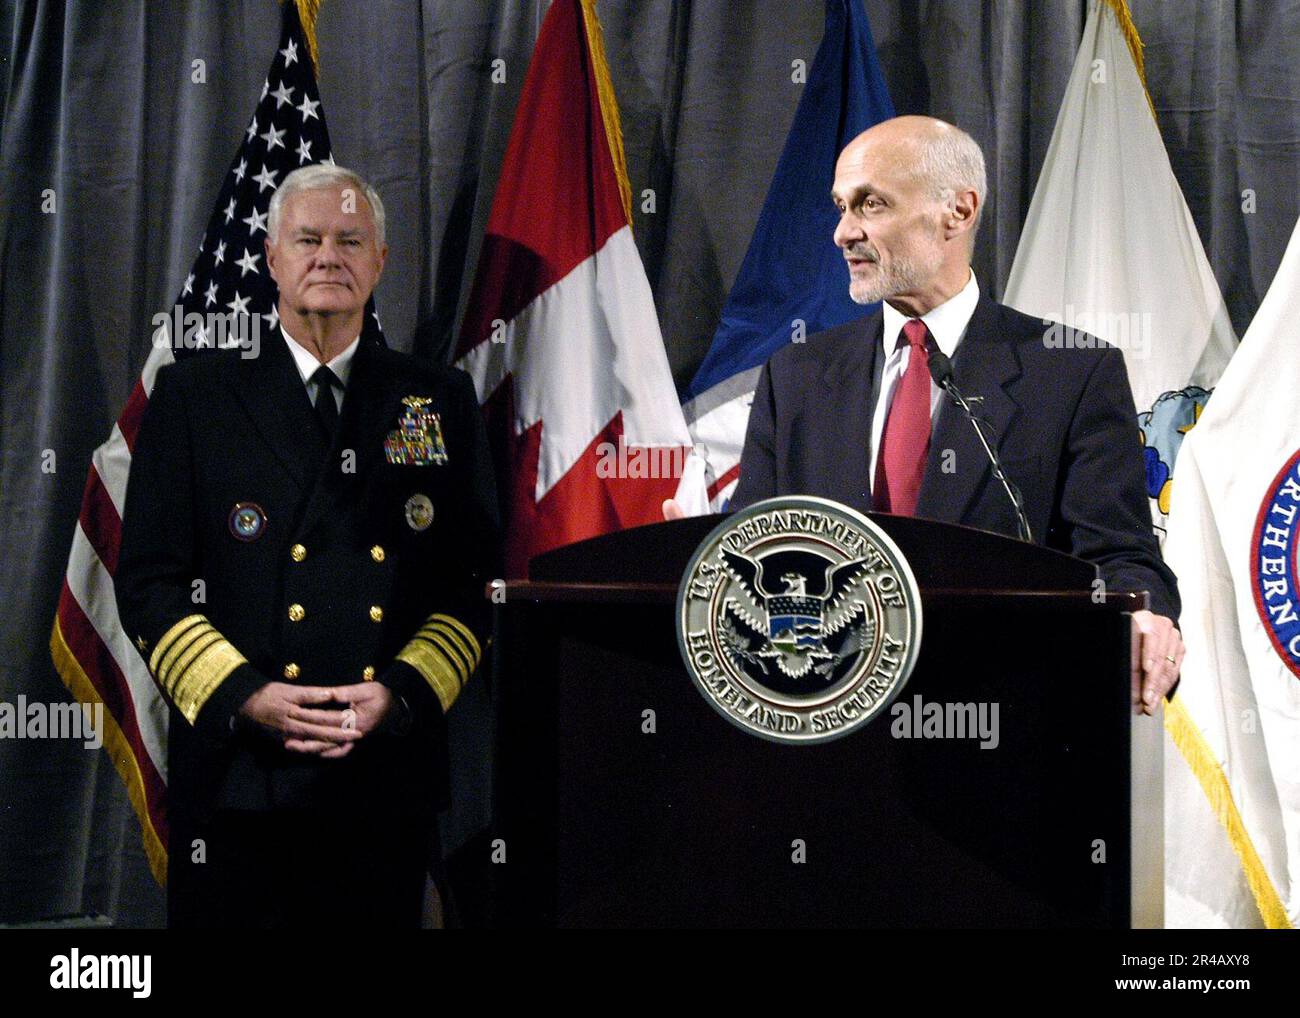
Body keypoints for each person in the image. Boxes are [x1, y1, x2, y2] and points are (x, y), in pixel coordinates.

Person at [673, 115, 1183, 715]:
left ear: (958, 212)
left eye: (871, 205)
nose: (842, 232)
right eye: (841, 207)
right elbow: (764, 554)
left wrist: (1141, 612)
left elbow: (1121, 556)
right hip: (824, 728)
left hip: (1000, 721)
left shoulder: (1070, 372)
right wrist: (702, 558)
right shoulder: (798, 375)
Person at [116, 164, 499, 927]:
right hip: (239, 780)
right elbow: (150, 585)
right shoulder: (194, 399)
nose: (331, 256)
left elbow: (472, 582)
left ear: (381, 262)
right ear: (270, 257)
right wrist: (246, 695)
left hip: (382, 778)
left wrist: (400, 694)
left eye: (351, 240)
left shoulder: (434, 399)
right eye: (310, 239)